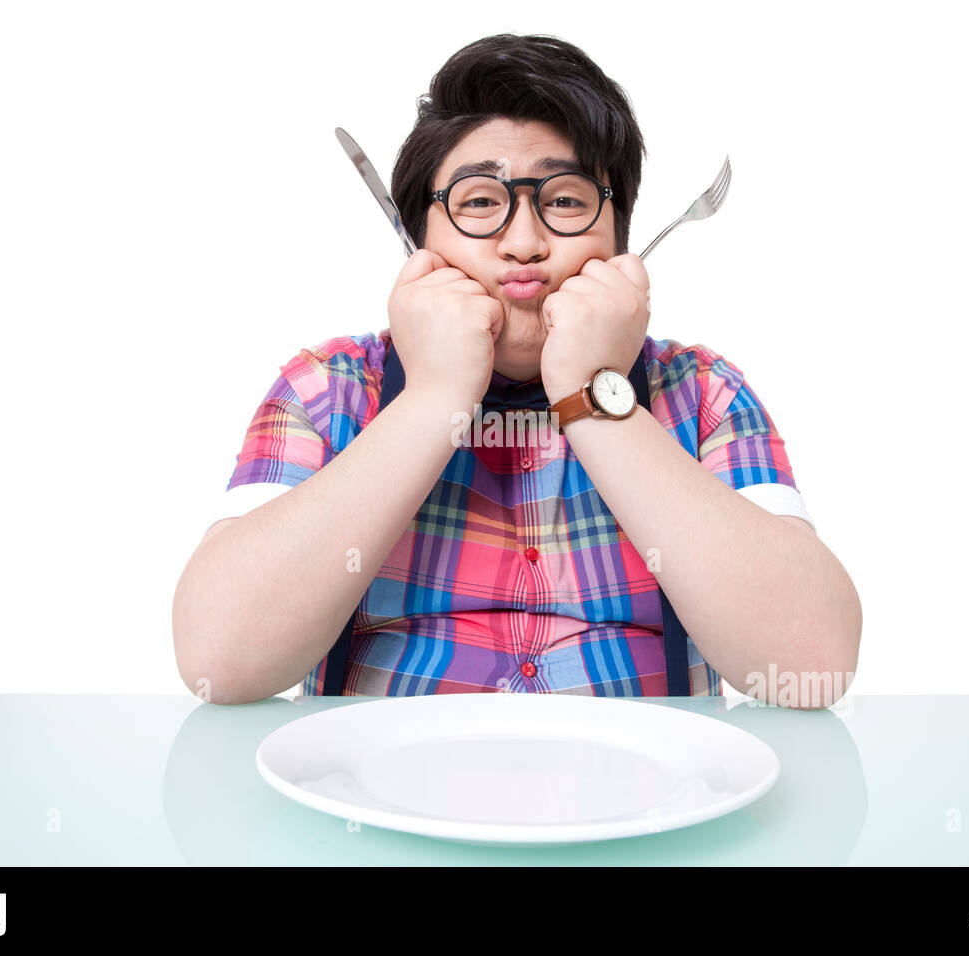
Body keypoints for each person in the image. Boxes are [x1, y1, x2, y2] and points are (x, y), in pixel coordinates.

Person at [172, 33, 861, 706]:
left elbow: (812, 665)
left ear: (621, 238)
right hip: (378, 803)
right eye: (478, 202)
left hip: (641, 808)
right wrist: (434, 396)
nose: (525, 244)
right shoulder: (328, 388)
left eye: (564, 200)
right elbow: (221, 660)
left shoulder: (703, 393)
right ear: (416, 239)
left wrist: (594, 397)